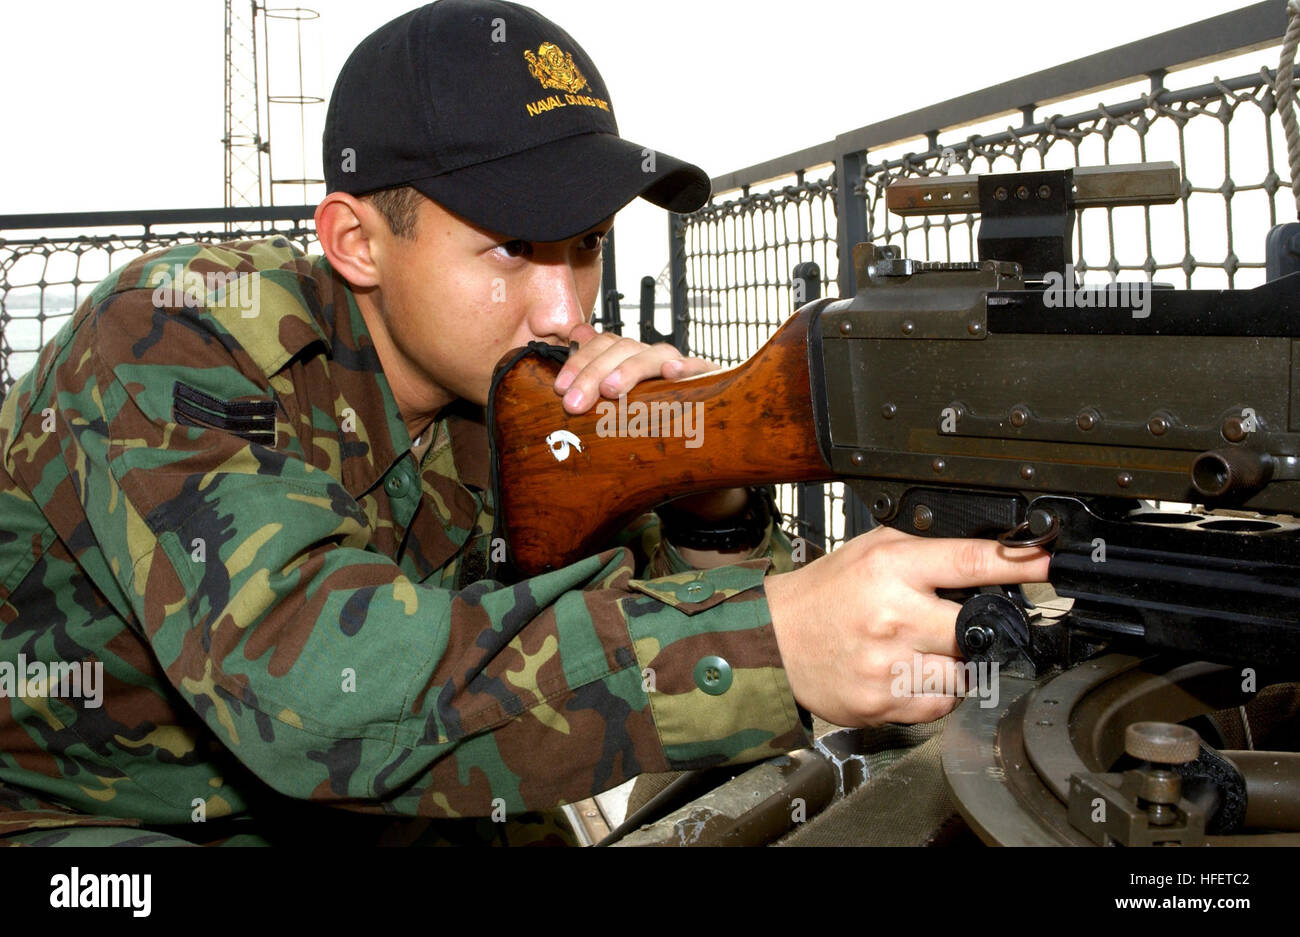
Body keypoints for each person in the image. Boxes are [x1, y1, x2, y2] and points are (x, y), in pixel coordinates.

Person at [0, 0, 1047, 846]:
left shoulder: (524, 396)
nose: (565, 310)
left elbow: (653, 650)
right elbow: (301, 683)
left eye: (586, 244)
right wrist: (775, 637)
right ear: (357, 242)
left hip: (398, 785)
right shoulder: (179, 327)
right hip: (99, 814)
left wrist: (710, 500)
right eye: (511, 250)